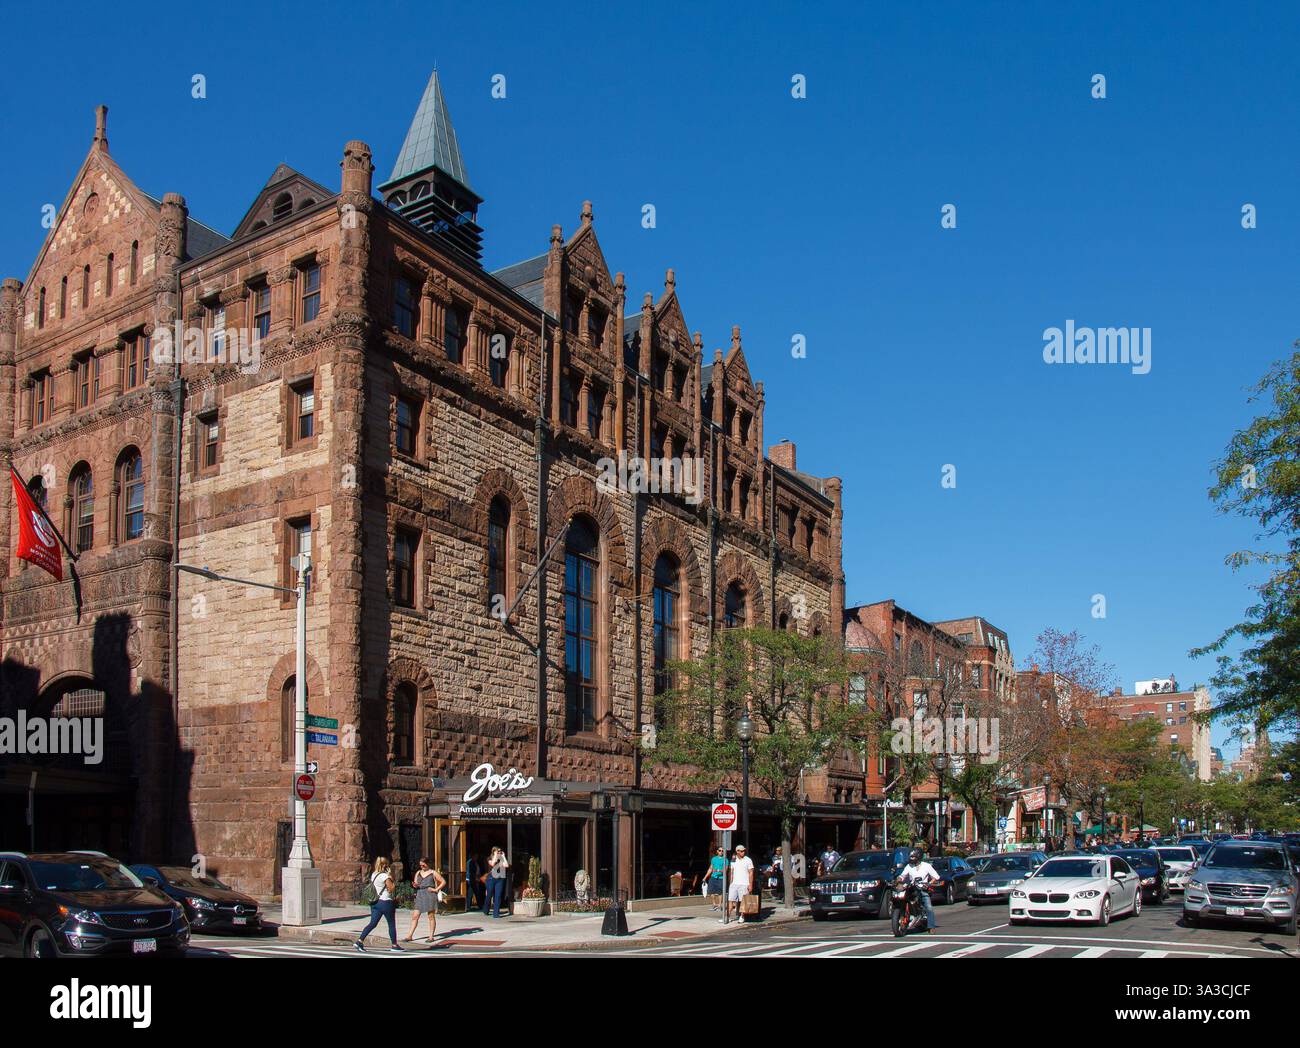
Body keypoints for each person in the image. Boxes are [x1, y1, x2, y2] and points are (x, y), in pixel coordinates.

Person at [354, 856, 401, 952]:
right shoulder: (385, 876)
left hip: (375, 902)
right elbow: (391, 888)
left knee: (372, 923)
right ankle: (394, 945)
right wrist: (390, 876)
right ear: (385, 865)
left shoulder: (374, 874)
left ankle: (360, 941)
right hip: (386, 902)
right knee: (391, 924)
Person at [898, 847, 940, 932]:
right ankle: (898, 923)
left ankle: (931, 927)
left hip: (922, 888)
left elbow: (936, 877)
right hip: (911, 888)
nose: (911, 859)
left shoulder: (926, 866)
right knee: (901, 899)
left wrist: (929, 883)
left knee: (929, 907)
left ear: (918, 856)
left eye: (913, 857)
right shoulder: (909, 866)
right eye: (910, 857)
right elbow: (902, 876)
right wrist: (898, 879)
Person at [406, 857, 446, 943]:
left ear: (428, 864)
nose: (422, 866)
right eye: (420, 865)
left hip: (430, 895)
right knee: (415, 915)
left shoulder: (433, 873)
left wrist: (436, 889)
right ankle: (409, 935)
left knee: (431, 916)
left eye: (423, 865)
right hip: (420, 894)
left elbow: (443, 881)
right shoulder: (418, 873)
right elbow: (416, 884)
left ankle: (431, 937)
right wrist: (415, 885)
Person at [724, 844, 755, 924]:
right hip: (734, 884)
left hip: (744, 883)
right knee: (730, 900)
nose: (743, 852)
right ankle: (727, 916)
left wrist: (750, 884)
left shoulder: (748, 860)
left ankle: (742, 916)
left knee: (743, 901)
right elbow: (732, 872)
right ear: (737, 851)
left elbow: (751, 872)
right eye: (741, 851)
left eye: (744, 851)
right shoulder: (733, 860)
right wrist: (730, 883)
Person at [483, 846, 510, 918]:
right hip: (491, 879)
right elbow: (492, 864)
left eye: (500, 851)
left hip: (500, 879)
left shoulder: (501, 859)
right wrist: (495, 855)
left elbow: (506, 865)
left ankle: (496, 914)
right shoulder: (489, 858)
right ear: (494, 852)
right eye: (498, 851)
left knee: (498, 896)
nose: (499, 852)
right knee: (489, 895)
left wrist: (503, 856)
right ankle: (486, 910)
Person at [704, 846, 725, 911]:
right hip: (713, 877)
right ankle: (714, 905)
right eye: (719, 850)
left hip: (721, 878)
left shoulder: (725, 859)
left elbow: (725, 870)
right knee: (711, 891)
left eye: (722, 851)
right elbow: (710, 868)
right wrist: (705, 877)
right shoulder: (713, 859)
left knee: (720, 892)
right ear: (717, 851)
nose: (721, 852)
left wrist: (718, 870)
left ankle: (720, 906)